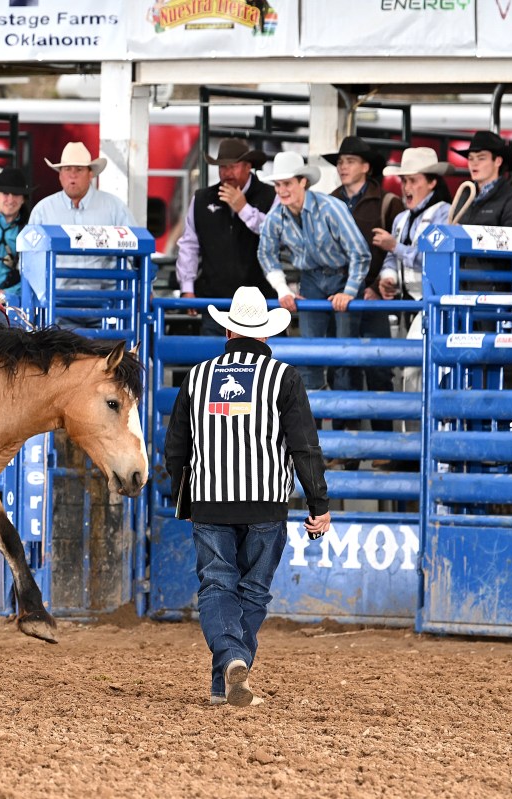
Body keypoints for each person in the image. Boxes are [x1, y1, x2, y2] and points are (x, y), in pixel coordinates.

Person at [164, 286, 329, 707]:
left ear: (229, 331)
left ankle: (226, 677)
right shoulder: (284, 378)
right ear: (266, 336)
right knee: (253, 592)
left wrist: (181, 495)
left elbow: (176, 446)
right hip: (265, 502)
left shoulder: (197, 376)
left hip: (210, 498)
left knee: (217, 586)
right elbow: (304, 446)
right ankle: (233, 668)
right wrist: (319, 505)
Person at [258, 151, 370, 393]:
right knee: (310, 350)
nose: (281, 190)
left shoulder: (331, 208)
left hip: (343, 276)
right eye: (278, 185)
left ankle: (345, 419)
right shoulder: (275, 217)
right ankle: (312, 419)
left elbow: (360, 253)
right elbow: (265, 254)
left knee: (345, 350)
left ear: (302, 182)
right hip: (310, 279)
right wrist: (283, 290)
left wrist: (349, 291)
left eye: (287, 183)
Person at [323, 136, 403, 461]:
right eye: (341, 162)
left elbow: (392, 251)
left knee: (378, 367)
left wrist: (374, 284)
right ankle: (346, 446)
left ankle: (384, 447)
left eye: (350, 161)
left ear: (366, 167)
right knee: (343, 368)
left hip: (370, 298)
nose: (343, 167)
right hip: (341, 296)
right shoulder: (328, 201)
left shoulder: (387, 203)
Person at [373, 147, 453, 441]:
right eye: (404, 181)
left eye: (413, 181)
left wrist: (395, 248)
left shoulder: (445, 213)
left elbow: (431, 258)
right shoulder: (402, 219)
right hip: (410, 303)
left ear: (432, 182)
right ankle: (413, 443)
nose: (407, 188)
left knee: (414, 370)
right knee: (410, 371)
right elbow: (393, 260)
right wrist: (388, 278)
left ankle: (419, 442)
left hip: (432, 303)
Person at [174, 138, 274, 335]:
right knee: (214, 358)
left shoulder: (270, 195)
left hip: (260, 302)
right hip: (215, 301)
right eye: (222, 167)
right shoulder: (203, 198)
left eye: (232, 167)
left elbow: (275, 235)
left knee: (258, 360)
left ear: (248, 167)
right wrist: (187, 288)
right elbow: (189, 245)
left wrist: (243, 209)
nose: (226, 173)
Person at [24, 141, 136, 299]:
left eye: (79, 169)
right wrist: (42, 296)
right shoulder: (42, 210)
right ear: (60, 175)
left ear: (90, 174)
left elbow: (134, 253)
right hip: (57, 302)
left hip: (105, 302)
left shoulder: (115, 208)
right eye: (67, 169)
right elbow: (30, 259)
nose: (72, 175)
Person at [448, 130, 512, 227]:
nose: (474, 163)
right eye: (470, 158)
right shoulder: (464, 194)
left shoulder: (511, 198)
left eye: (481, 158)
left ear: (498, 161)